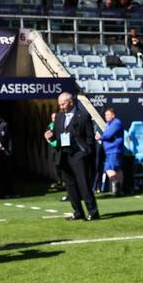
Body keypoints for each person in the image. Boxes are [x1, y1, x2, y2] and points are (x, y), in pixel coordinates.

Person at [43, 91, 98, 220]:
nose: (61, 107)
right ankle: (78, 211)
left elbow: (90, 137)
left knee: (83, 184)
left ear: (71, 102)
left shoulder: (83, 116)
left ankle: (93, 211)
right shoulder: (59, 117)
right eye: (60, 104)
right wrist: (49, 136)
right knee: (70, 185)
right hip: (63, 155)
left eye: (63, 104)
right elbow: (56, 134)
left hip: (78, 154)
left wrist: (86, 152)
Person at [98, 106, 125, 196]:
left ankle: (116, 183)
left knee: (108, 168)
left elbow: (108, 135)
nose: (106, 116)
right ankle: (119, 189)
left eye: (108, 114)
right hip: (112, 150)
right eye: (105, 115)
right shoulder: (110, 123)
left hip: (113, 150)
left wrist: (100, 137)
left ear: (113, 115)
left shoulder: (116, 123)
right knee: (117, 169)